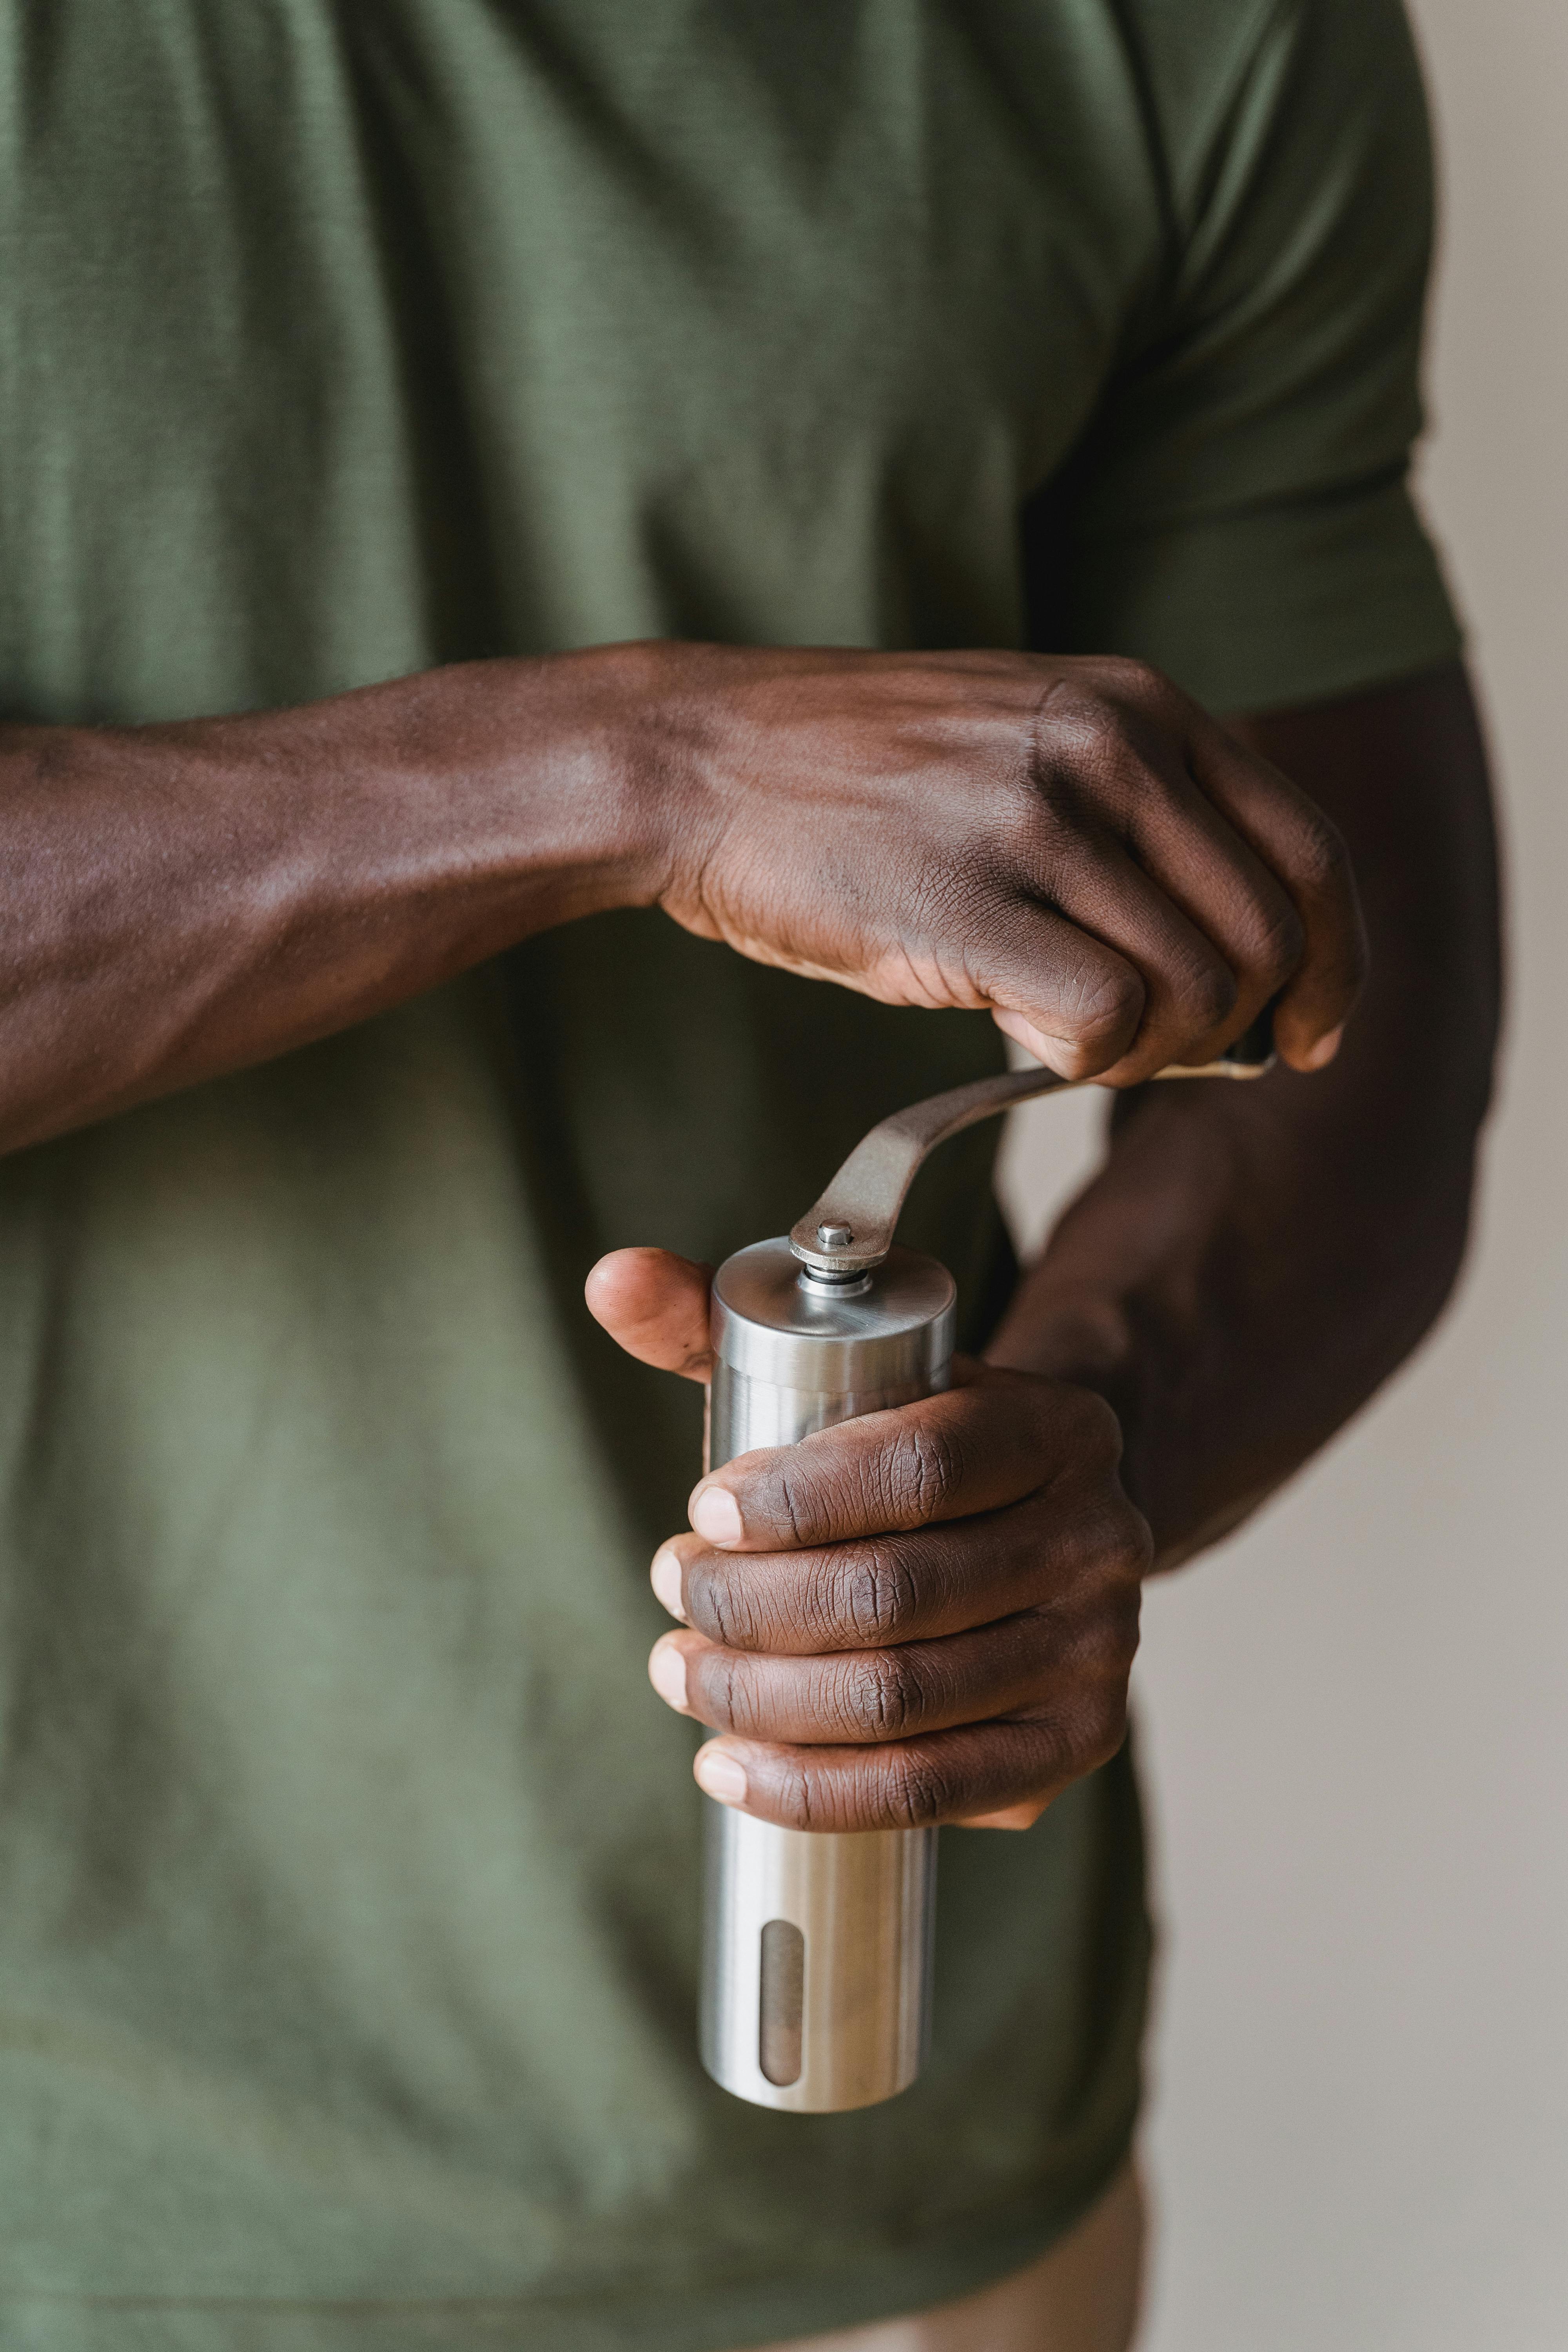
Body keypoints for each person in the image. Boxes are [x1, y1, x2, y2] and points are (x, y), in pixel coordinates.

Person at [0, 3, 1499, 2348]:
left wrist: (1078, 1457)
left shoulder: (1200, 36)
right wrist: (631, 772)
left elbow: (1344, 1033)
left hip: (897, 2187)